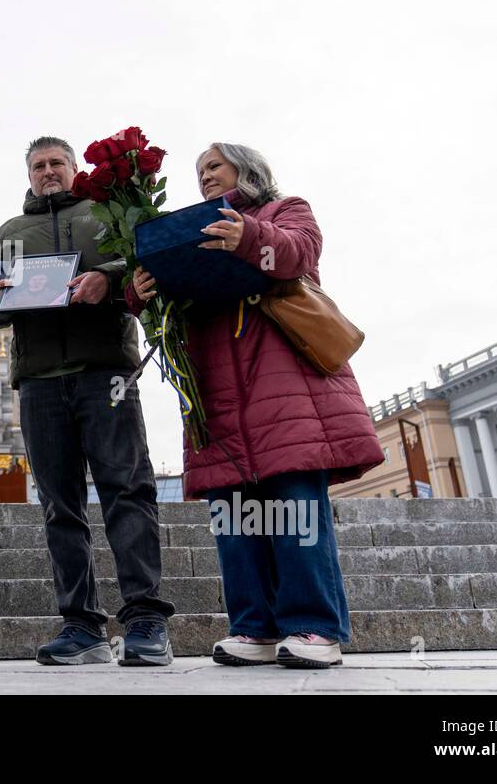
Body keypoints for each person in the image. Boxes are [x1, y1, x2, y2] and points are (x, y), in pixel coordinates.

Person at [127, 142, 384, 669]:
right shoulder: (193, 231)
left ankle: (313, 628)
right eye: (198, 172)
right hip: (217, 393)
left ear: (247, 169)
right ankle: (254, 628)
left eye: (213, 167)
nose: (204, 178)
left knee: (292, 508)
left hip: (285, 387)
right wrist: (141, 290)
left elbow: (298, 253)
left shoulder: (285, 210)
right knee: (236, 518)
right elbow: (171, 301)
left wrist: (248, 236)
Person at [0, 136, 175, 666]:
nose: (48, 172)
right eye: (39, 165)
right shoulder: (9, 233)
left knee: (127, 488)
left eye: (56, 164)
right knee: (58, 503)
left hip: (105, 369)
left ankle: (146, 619)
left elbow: (138, 269)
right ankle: (81, 626)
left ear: (72, 168)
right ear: (29, 173)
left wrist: (105, 281)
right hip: (39, 379)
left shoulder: (104, 214)